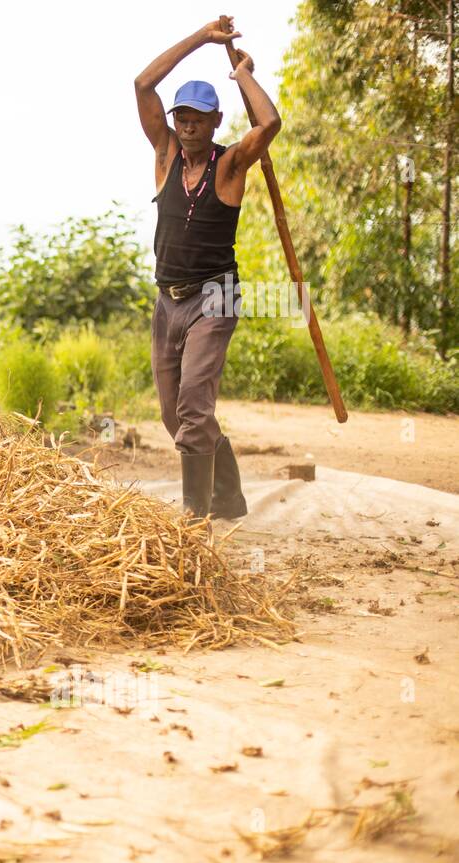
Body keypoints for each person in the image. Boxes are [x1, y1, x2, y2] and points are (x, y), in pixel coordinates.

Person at [134, 16, 282, 519]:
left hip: (216, 296)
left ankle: (194, 521)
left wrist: (241, 76)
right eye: (182, 117)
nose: (188, 125)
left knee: (195, 411)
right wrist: (201, 38)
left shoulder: (231, 165)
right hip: (167, 299)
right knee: (176, 418)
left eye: (198, 117)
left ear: (216, 121)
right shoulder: (164, 155)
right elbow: (142, 84)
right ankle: (228, 497)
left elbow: (269, 124)